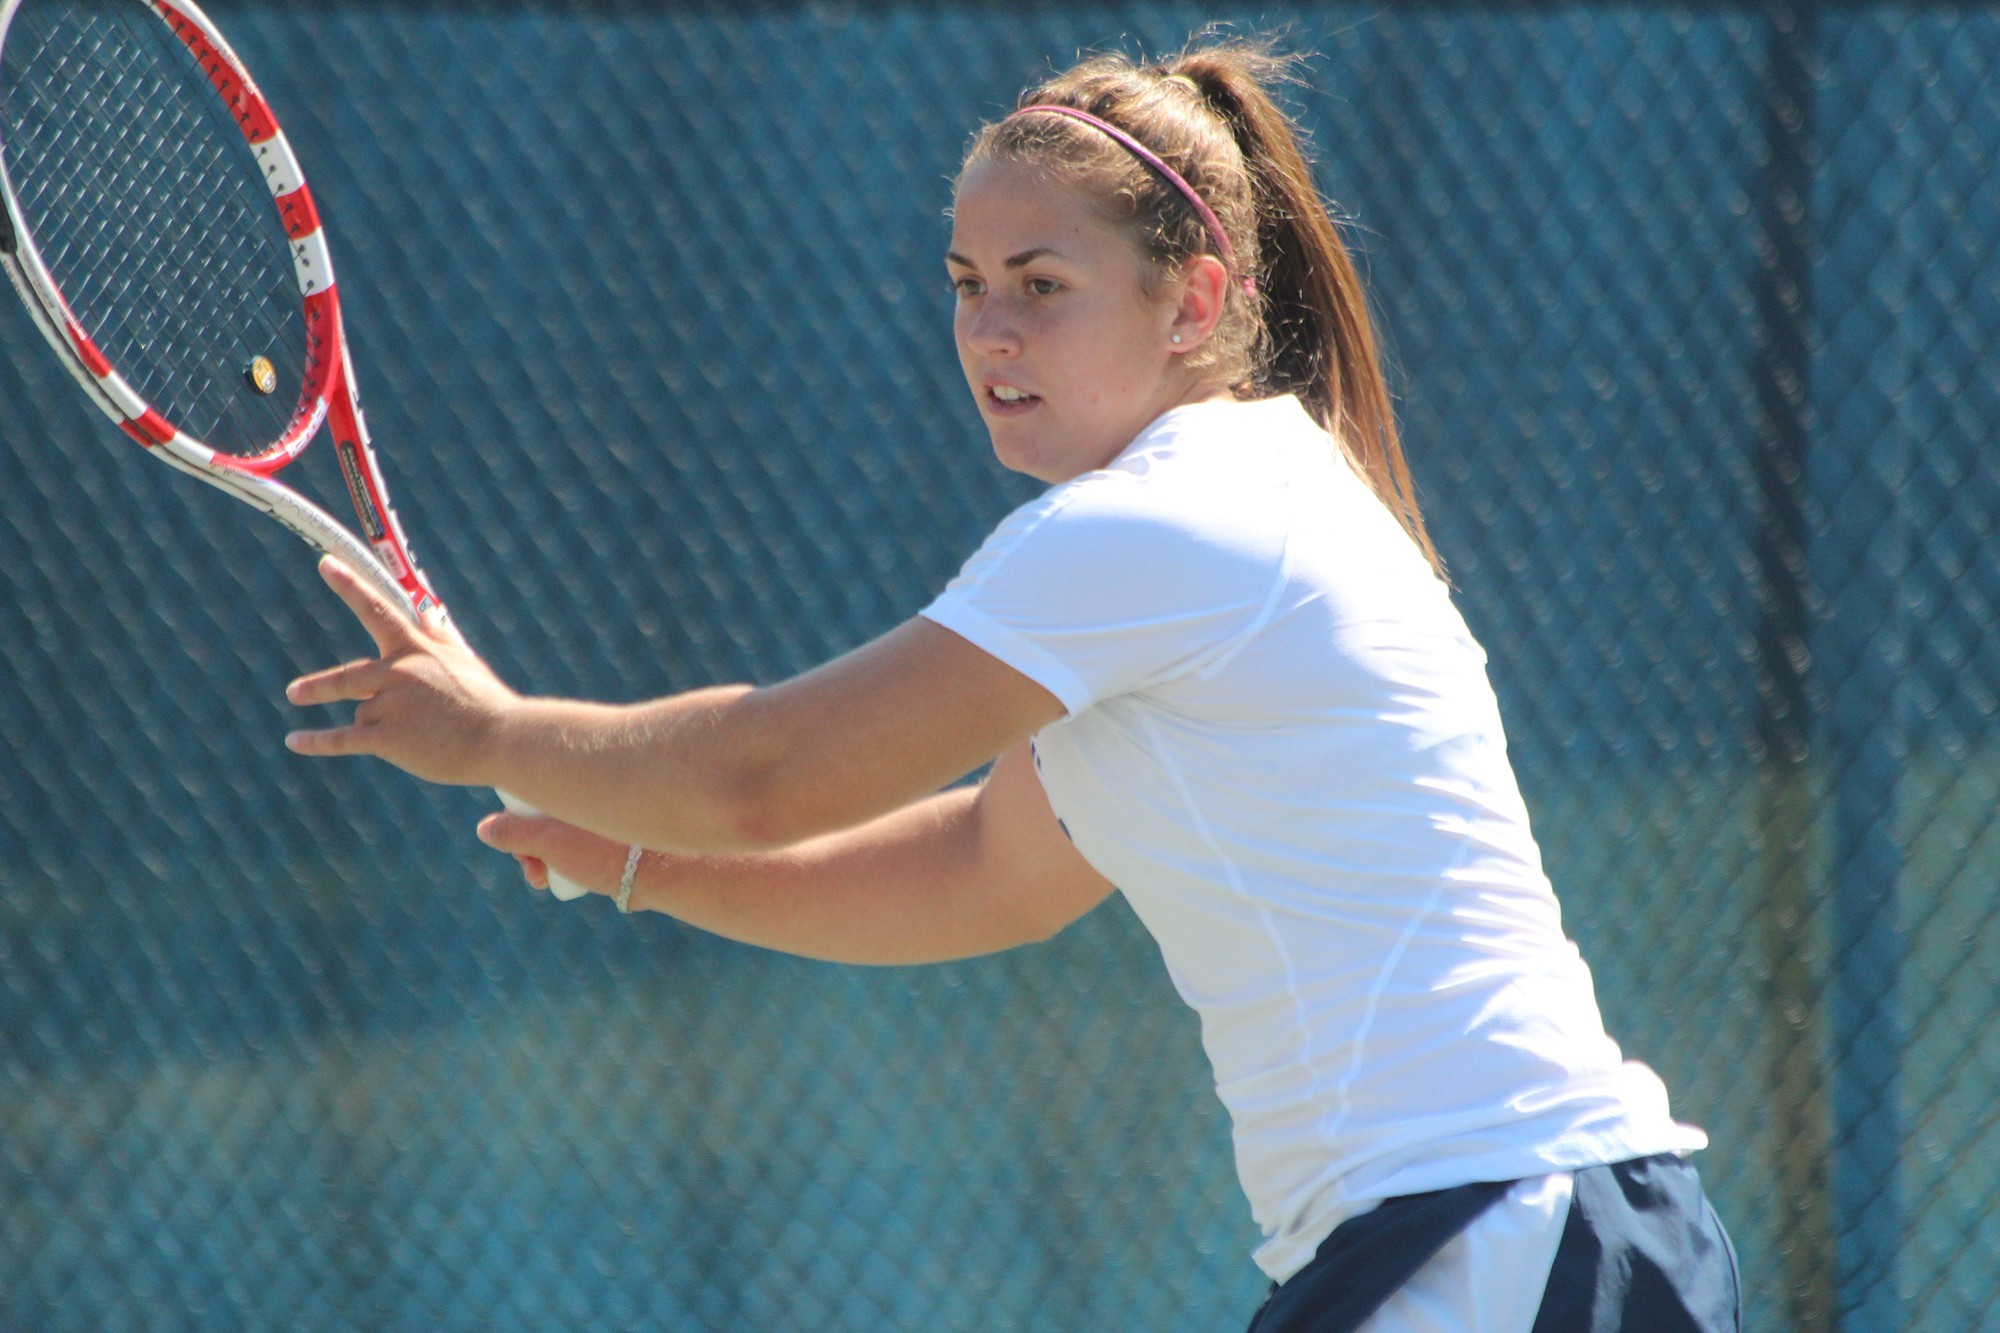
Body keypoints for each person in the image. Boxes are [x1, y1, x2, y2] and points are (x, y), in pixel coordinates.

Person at [284, 37, 1739, 1333]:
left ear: (1194, 300)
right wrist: (646, 866)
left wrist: (488, 731)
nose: (991, 333)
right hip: (1523, 1230)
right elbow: (990, 866)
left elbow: (769, 771)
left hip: (1503, 1232)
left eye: (1044, 288)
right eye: (970, 287)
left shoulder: (1165, 523)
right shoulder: (1230, 503)